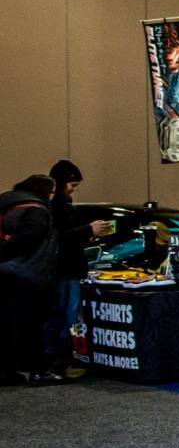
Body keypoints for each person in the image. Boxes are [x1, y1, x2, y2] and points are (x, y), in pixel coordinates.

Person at [46, 161, 110, 375]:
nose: (73, 189)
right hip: (67, 270)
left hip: (67, 268)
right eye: (72, 184)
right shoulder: (58, 208)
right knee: (66, 316)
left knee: (64, 315)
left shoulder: (58, 206)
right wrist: (88, 230)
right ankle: (60, 362)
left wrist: (87, 233)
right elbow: (61, 238)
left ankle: (59, 360)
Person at [0, 176, 61, 383]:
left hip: (7, 274)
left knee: (8, 326)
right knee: (31, 326)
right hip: (26, 274)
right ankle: (39, 370)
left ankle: (8, 372)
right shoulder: (36, 209)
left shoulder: (8, 203)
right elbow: (30, 237)